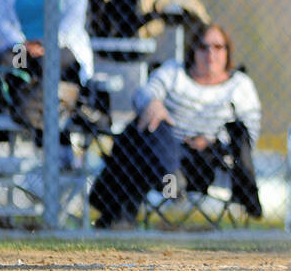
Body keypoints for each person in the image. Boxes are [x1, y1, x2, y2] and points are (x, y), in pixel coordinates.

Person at [90, 24, 262, 228]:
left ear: (227, 51)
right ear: (192, 50)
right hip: (164, 150)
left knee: (136, 142)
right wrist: (153, 104)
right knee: (151, 123)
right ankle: (169, 177)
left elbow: (249, 134)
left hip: (205, 162)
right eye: (203, 47)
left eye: (218, 47)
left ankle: (119, 215)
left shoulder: (240, 85)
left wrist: (212, 140)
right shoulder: (174, 72)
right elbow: (144, 93)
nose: (210, 53)